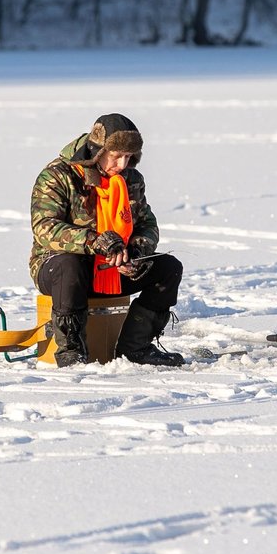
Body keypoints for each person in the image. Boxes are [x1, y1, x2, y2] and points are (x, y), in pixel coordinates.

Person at [30, 113, 184, 368]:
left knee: (169, 268)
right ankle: (71, 351)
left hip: (111, 268)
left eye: (128, 157)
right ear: (96, 150)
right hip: (57, 269)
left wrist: (137, 251)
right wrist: (95, 241)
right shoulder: (58, 175)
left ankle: (136, 347)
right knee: (71, 264)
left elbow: (147, 224)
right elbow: (44, 229)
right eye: (116, 156)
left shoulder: (131, 179)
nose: (122, 164)